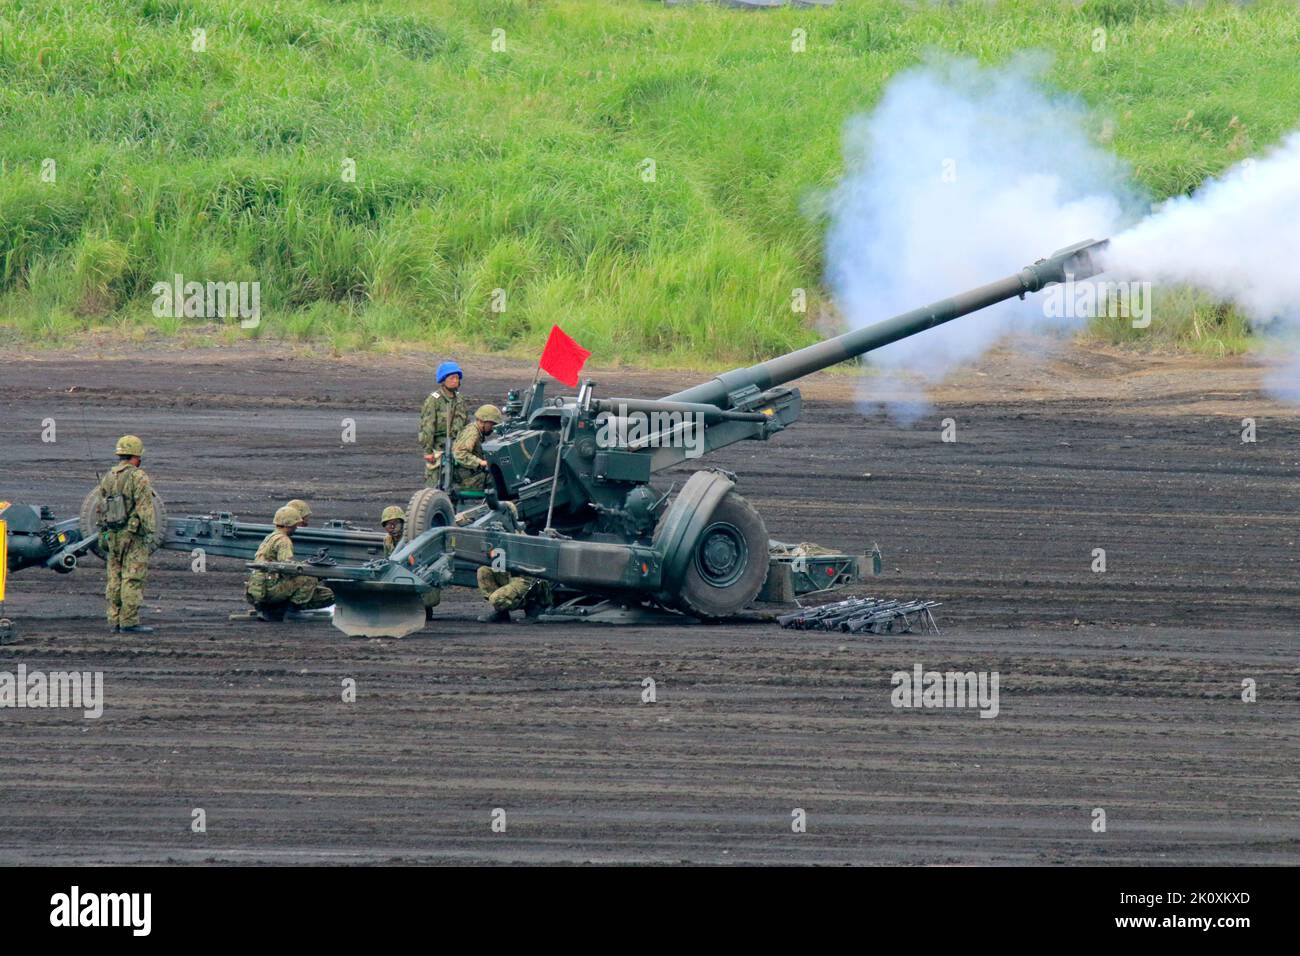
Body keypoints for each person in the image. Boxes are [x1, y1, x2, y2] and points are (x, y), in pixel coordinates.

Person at [96, 435, 157, 634]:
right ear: (136, 455)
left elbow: (100, 508)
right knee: (132, 578)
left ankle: (114, 619)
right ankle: (129, 622)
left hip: (112, 535)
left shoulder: (108, 476)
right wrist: (149, 533)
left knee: (114, 577)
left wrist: (103, 533)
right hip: (132, 536)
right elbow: (145, 508)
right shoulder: (138, 476)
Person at [244, 505, 335, 622]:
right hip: (270, 588)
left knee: (322, 592)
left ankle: (271, 610)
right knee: (309, 578)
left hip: (257, 590)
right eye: (295, 525)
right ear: (289, 524)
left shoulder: (270, 537)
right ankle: (292, 612)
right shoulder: (284, 540)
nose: (296, 528)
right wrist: (312, 569)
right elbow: (288, 568)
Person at [419, 361, 469, 488]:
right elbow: (427, 427)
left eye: (457, 378)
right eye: (451, 378)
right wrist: (428, 451)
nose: (455, 381)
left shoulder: (460, 400)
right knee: (433, 484)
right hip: (438, 448)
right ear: (443, 380)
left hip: (457, 447)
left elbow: (466, 424)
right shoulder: (434, 400)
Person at [451, 404, 503, 492]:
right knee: (499, 478)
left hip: (470, 475)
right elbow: (460, 453)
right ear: (483, 421)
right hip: (467, 480)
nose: (493, 428)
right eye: (492, 424)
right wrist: (481, 462)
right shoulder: (473, 433)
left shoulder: (477, 431)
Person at [476, 568, 551, 624]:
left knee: (496, 598)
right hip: (511, 570)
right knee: (484, 571)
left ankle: (533, 610)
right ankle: (501, 612)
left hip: (528, 575)